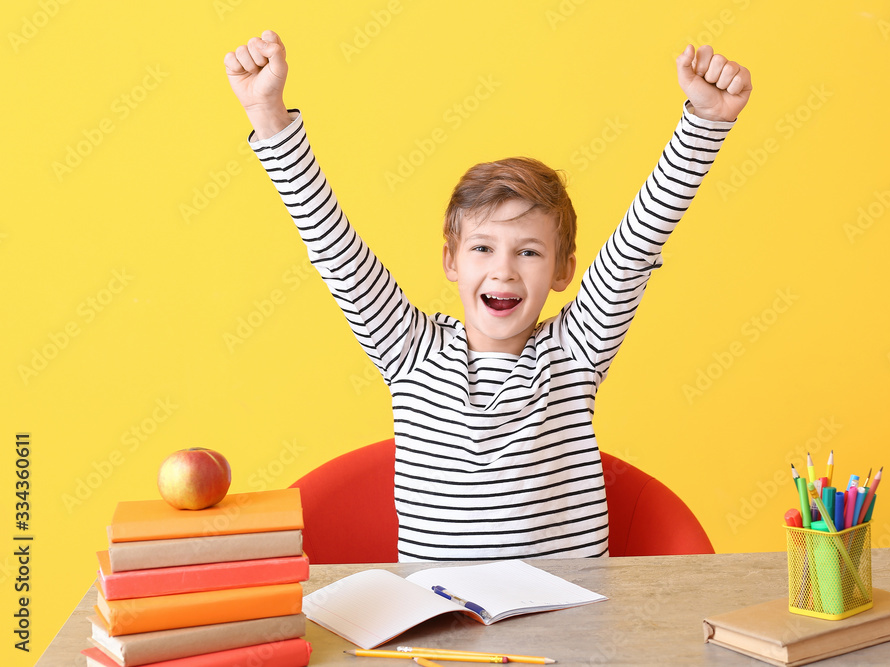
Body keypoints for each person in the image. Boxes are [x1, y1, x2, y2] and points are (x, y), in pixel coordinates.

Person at [224, 30, 751, 562]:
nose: (504, 271)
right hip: (440, 632)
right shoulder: (409, 351)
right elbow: (335, 251)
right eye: (482, 248)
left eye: (529, 252)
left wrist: (705, 123)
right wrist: (269, 117)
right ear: (451, 262)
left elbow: (638, 244)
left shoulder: (575, 352)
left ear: (564, 270)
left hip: (568, 632)